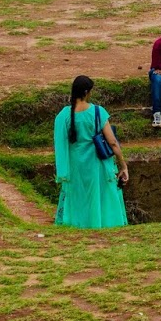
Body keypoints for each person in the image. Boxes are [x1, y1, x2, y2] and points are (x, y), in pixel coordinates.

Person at [53, 75, 129, 228]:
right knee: (100, 195)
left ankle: (78, 224)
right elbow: (112, 142)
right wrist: (123, 166)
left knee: (79, 196)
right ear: (86, 92)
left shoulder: (64, 115)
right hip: (97, 165)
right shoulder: (97, 111)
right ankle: (102, 224)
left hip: (75, 166)